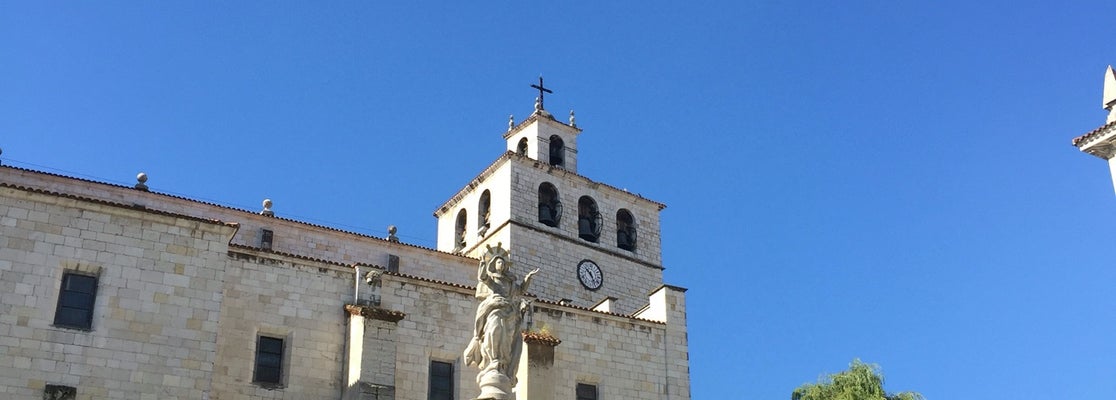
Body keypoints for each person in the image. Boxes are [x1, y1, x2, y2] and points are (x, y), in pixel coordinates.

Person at [464, 244, 539, 396]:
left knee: (507, 340)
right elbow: (483, 277)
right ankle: (493, 360)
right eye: (498, 262)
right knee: (494, 330)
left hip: (510, 313)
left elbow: (521, 290)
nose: (501, 264)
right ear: (494, 264)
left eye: (503, 263)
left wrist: (528, 278)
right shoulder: (493, 279)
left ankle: (502, 364)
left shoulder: (510, 282)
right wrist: (482, 263)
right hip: (494, 310)